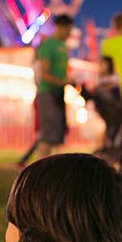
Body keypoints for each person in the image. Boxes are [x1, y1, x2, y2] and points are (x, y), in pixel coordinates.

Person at [33, 14, 74, 159]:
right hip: (47, 94)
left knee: (56, 136)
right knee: (47, 136)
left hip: (58, 94)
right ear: (61, 27)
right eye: (68, 29)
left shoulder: (63, 46)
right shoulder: (48, 45)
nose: (69, 33)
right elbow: (43, 74)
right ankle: (40, 169)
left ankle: (51, 168)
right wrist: (63, 81)